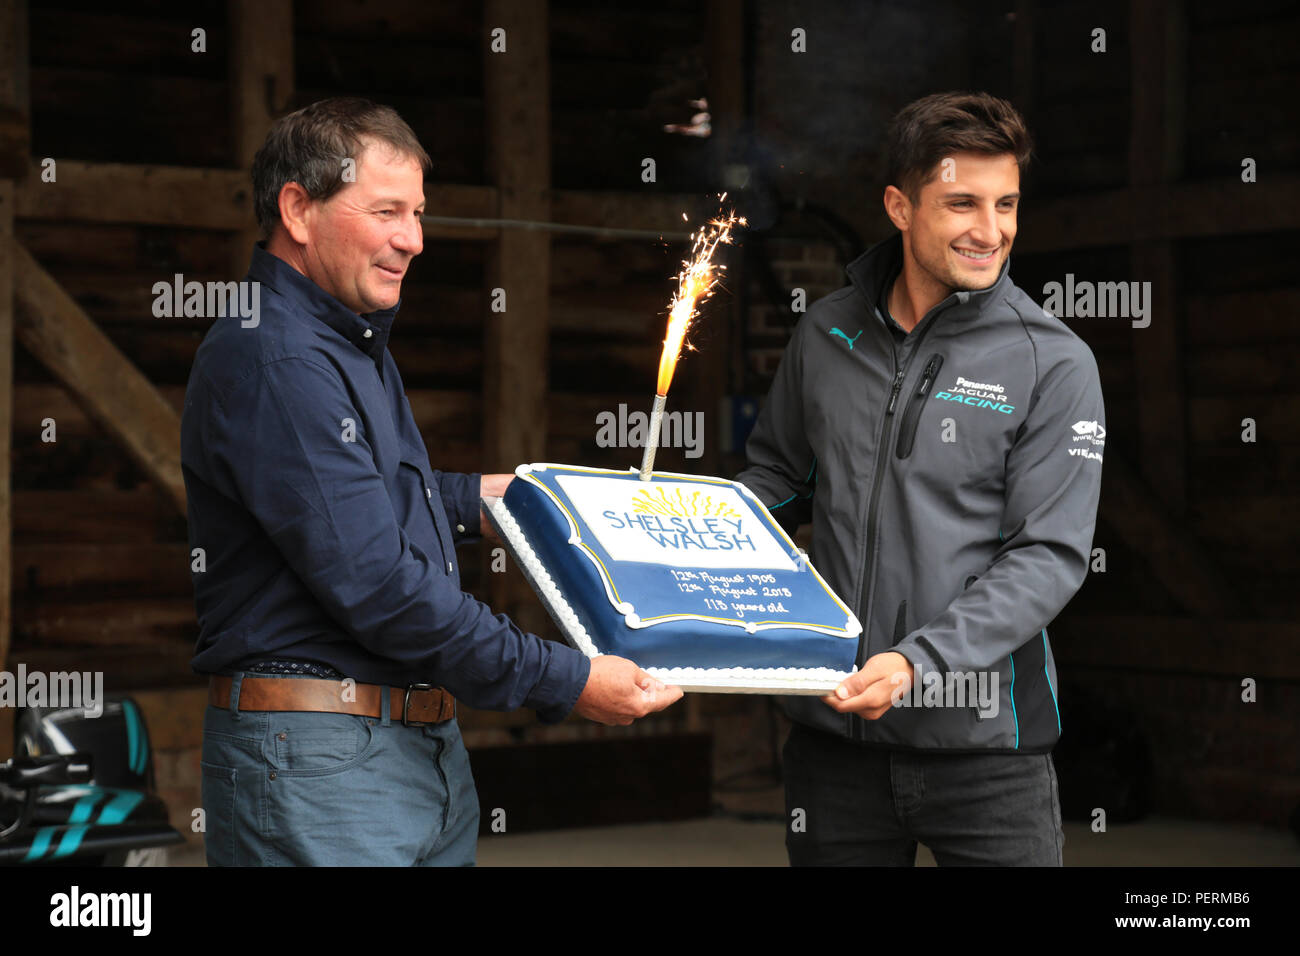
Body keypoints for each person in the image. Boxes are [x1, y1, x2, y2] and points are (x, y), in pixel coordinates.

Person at [181, 97, 681, 866]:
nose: (413, 239)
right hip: (323, 766)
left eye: (416, 213)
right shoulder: (278, 358)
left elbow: (366, 506)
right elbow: (379, 582)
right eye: (387, 211)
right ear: (298, 210)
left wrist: (509, 501)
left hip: (392, 751)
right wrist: (565, 678)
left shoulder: (340, 341)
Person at [737, 91, 1104, 866]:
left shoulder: (1053, 362)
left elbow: (1047, 556)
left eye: (1006, 204)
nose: (991, 230)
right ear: (899, 207)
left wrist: (917, 663)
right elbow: (778, 479)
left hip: (988, 757)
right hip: (834, 743)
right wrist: (679, 534)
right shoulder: (827, 331)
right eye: (962, 203)